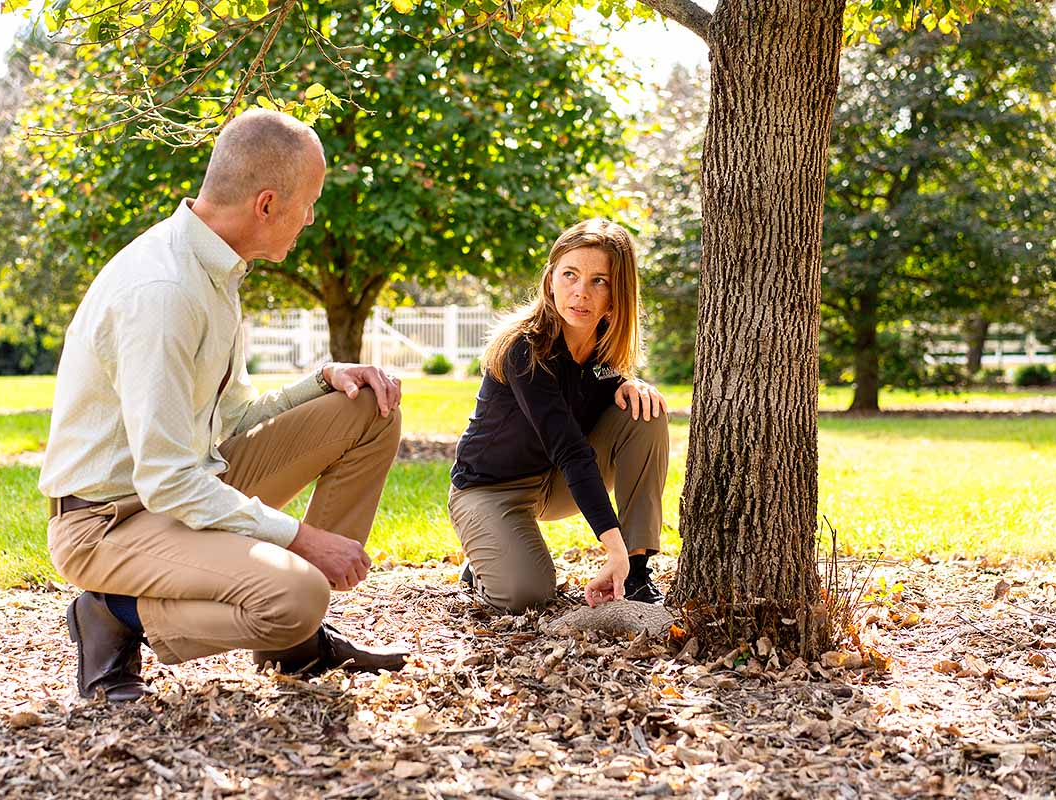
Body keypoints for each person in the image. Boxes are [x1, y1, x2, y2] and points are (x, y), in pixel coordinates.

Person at [39, 108, 408, 702]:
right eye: (308, 202)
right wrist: (299, 539)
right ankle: (113, 613)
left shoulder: (214, 271)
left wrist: (324, 380)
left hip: (187, 483)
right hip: (109, 522)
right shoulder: (162, 292)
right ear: (266, 204)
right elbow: (164, 479)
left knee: (368, 408)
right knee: (299, 594)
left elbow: (230, 420)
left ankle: (291, 635)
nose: (311, 220)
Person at [448, 218, 669, 613]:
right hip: (489, 490)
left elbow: (599, 387)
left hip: (552, 483)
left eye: (599, 281)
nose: (581, 292)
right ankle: (484, 559)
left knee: (644, 411)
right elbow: (571, 450)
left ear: (617, 295)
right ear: (551, 280)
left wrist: (629, 384)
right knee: (526, 595)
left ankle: (636, 572)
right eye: (570, 275)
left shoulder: (602, 352)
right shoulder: (524, 348)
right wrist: (610, 546)